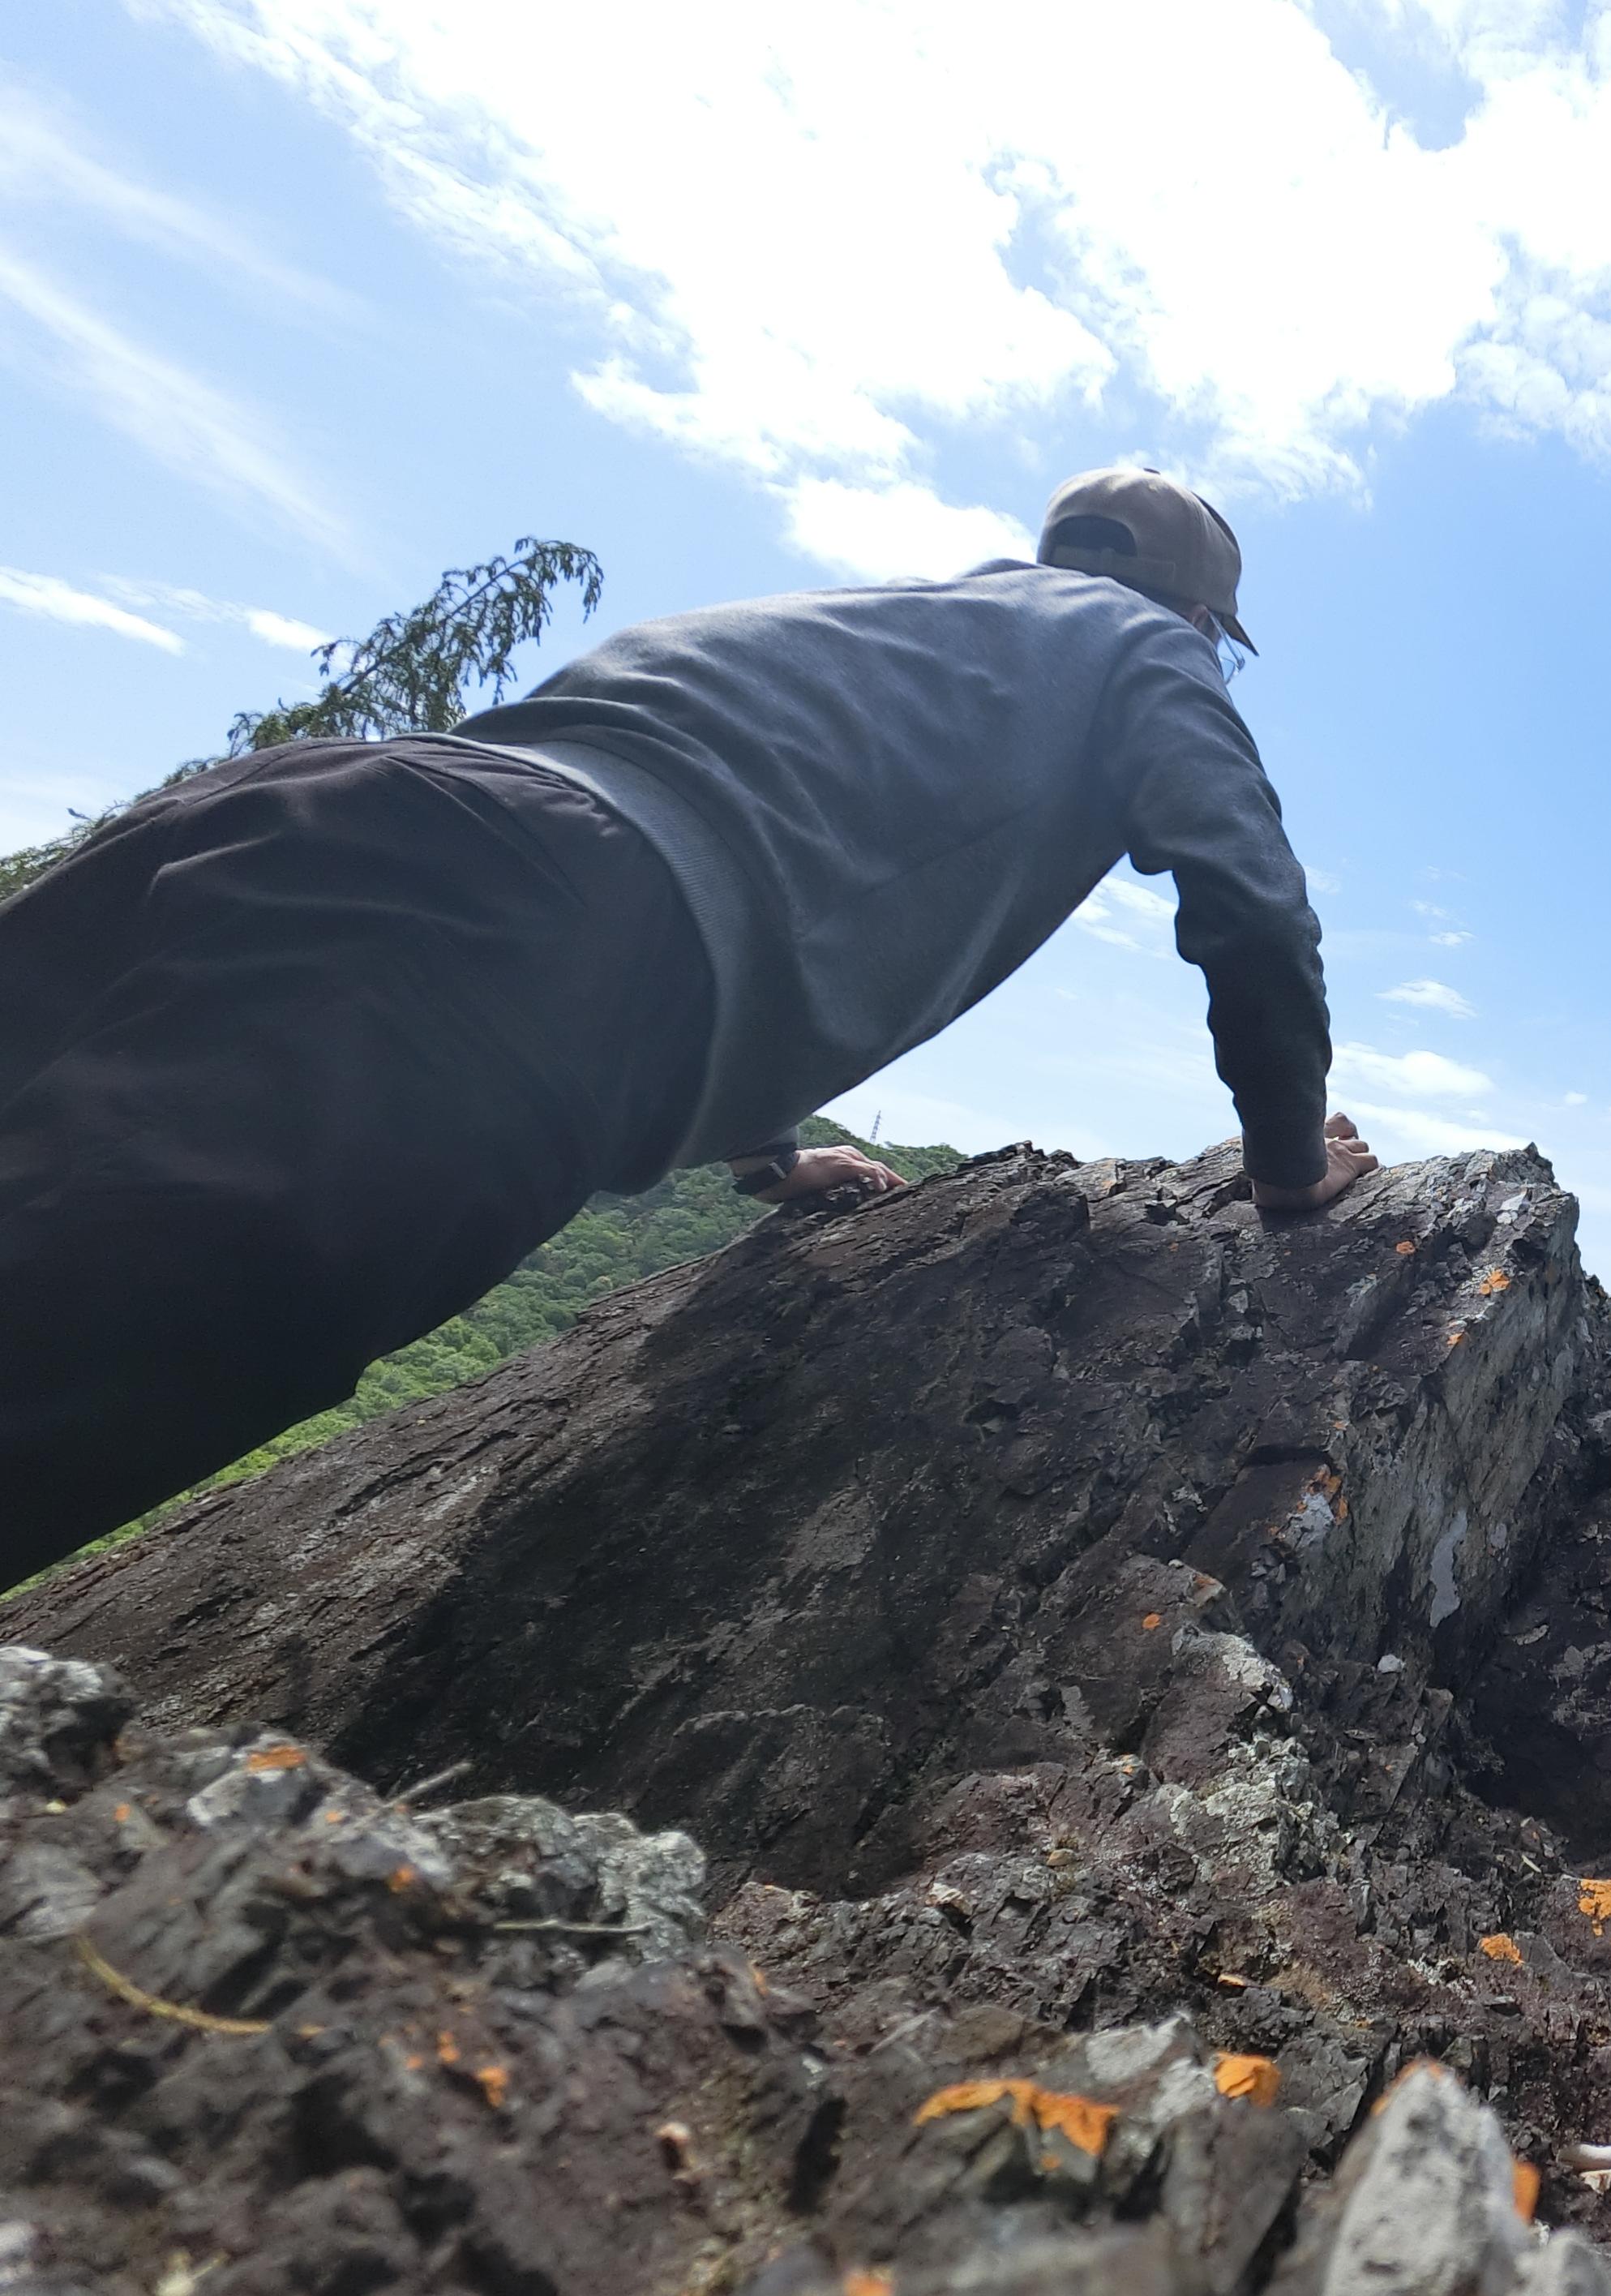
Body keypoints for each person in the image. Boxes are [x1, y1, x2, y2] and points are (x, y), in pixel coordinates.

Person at [0, 466, 1374, 1586]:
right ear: (1200, 618)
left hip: (295, 811)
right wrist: (1287, 1164)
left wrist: (769, 1157)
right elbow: (1250, 903)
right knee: (86, 1371)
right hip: (495, 949)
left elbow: (730, 820)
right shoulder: (1142, 650)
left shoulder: (901, 612)